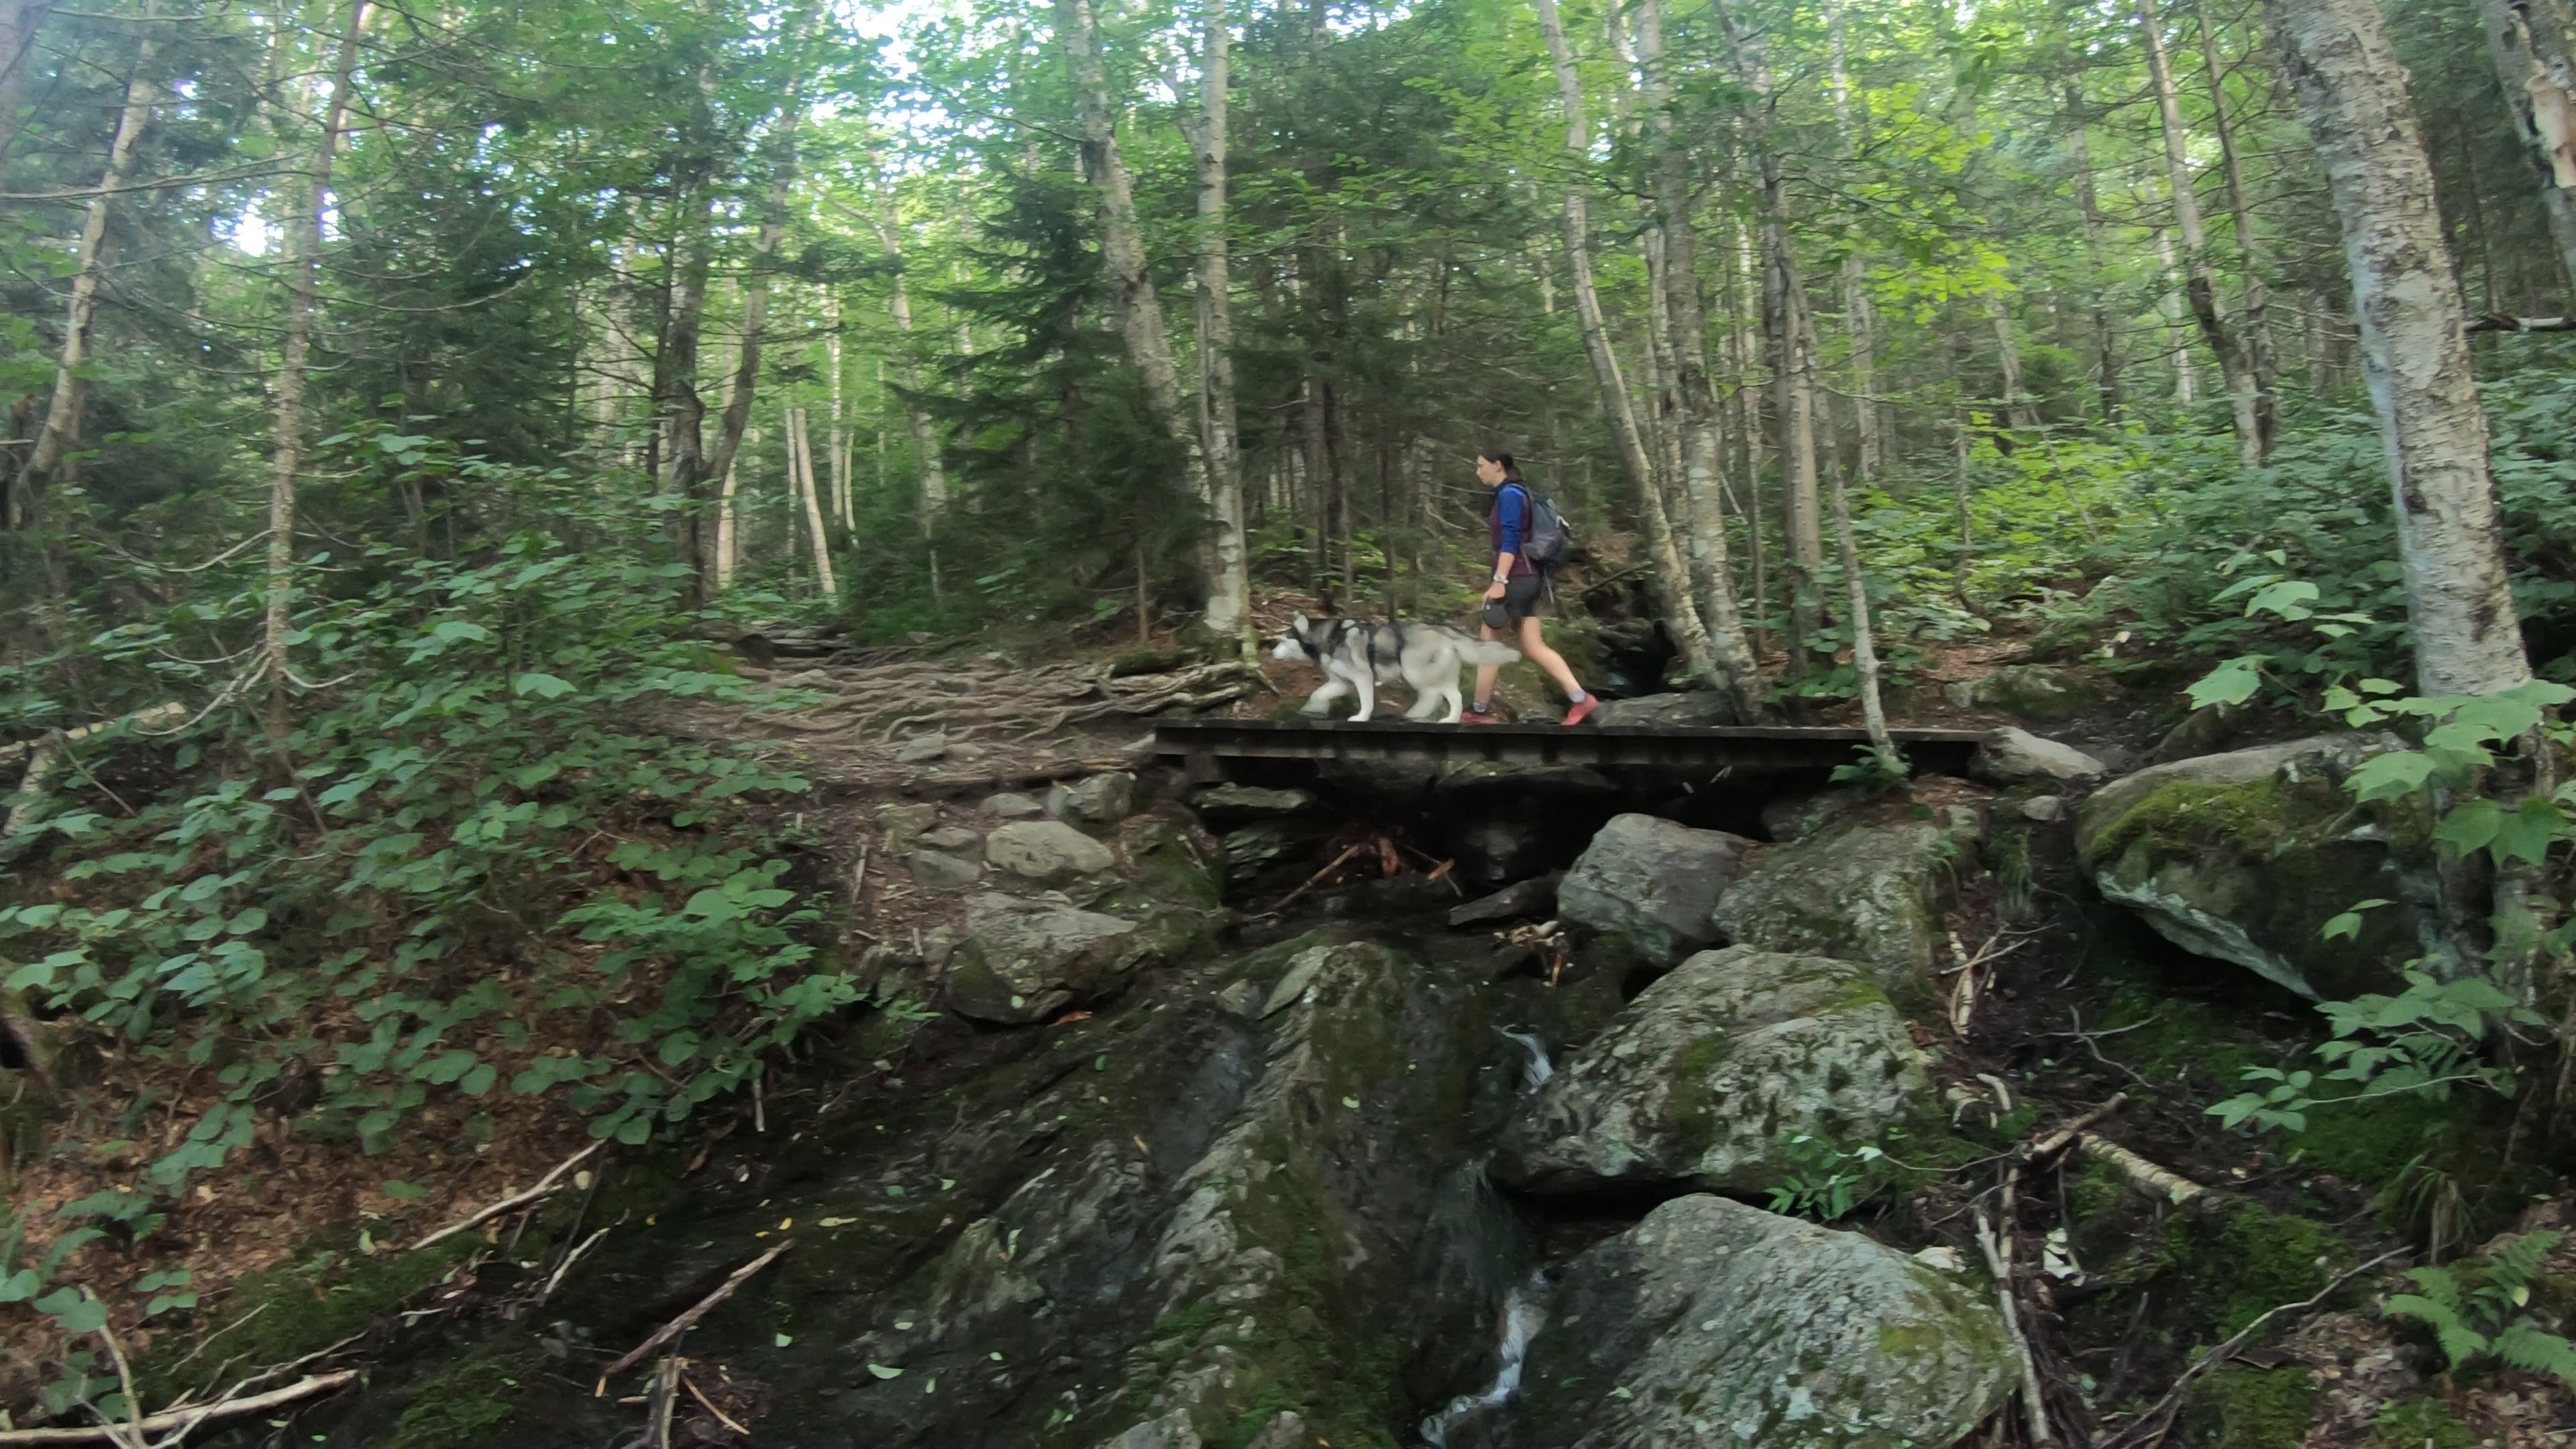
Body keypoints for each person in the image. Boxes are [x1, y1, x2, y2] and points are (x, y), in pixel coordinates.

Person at [1464, 449, 1597, 726]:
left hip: (1517, 576)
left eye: (1481, 466)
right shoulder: (1516, 492)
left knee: (1489, 642)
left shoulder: (1510, 495)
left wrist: (1499, 582)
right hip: (1528, 576)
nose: (1478, 472)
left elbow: (1510, 540)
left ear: (1497, 466)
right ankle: (1580, 699)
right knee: (1532, 646)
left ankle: (1479, 711)